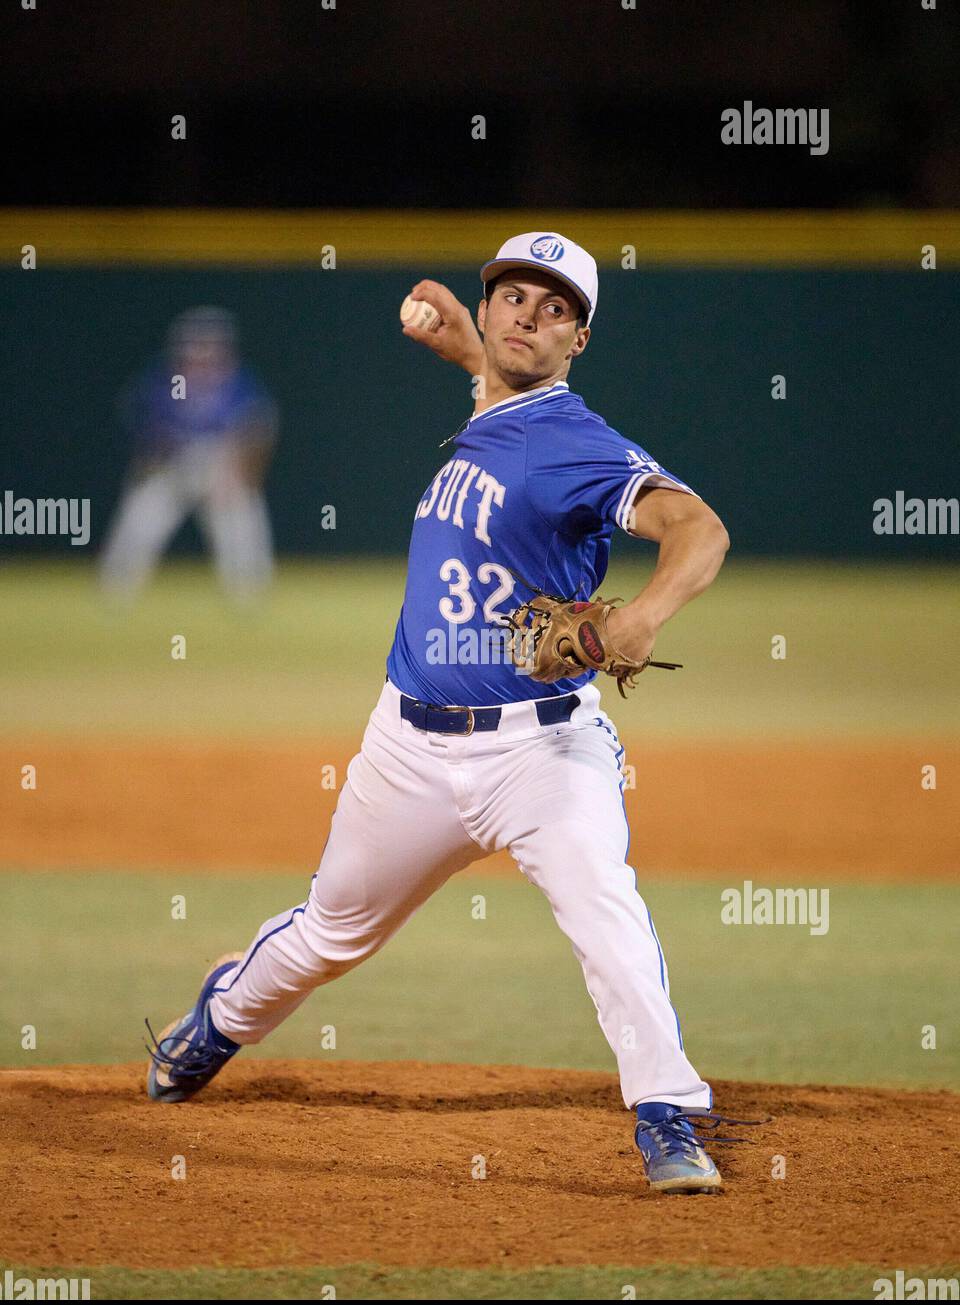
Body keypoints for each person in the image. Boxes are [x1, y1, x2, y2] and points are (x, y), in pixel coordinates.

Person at [146, 233, 749, 1194]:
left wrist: (641, 616)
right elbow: (501, 397)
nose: (529, 315)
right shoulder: (497, 407)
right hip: (407, 749)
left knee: (604, 908)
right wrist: (469, 353)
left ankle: (669, 1117)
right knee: (328, 936)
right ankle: (217, 1022)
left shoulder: (584, 445)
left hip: (543, 753)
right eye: (514, 295)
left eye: (555, 309)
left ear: (579, 339)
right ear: (494, 303)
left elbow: (699, 528)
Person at [99, 306, 277, 601]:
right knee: (142, 517)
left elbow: (258, 428)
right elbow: (145, 428)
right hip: (174, 464)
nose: (202, 355)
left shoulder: (237, 383)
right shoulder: (163, 381)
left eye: (209, 348)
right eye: (196, 348)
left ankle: (248, 593)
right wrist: (150, 463)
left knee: (241, 522)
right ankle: (116, 588)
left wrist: (240, 471)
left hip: (221, 463)